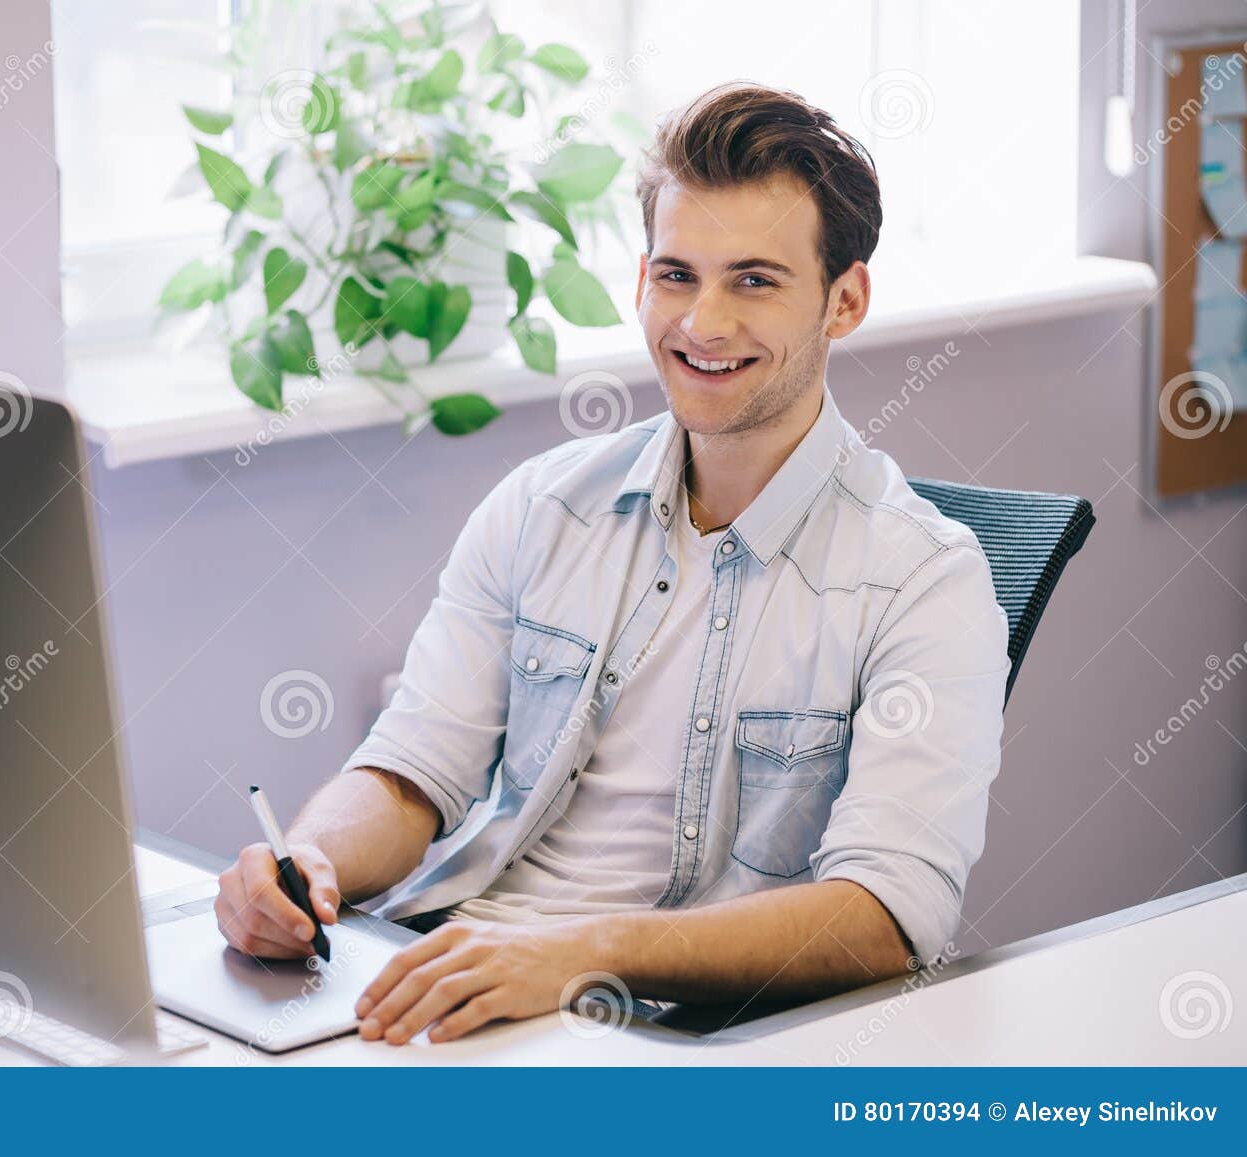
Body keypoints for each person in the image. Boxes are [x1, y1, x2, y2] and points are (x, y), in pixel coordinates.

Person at [214, 82, 1009, 1045]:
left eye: (753, 281)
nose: (702, 324)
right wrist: (305, 862)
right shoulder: (543, 506)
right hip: (435, 975)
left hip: (657, 1037)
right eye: (676, 275)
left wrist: (580, 952)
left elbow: (888, 914)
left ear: (845, 301)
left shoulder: (926, 577)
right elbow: (412, 771)